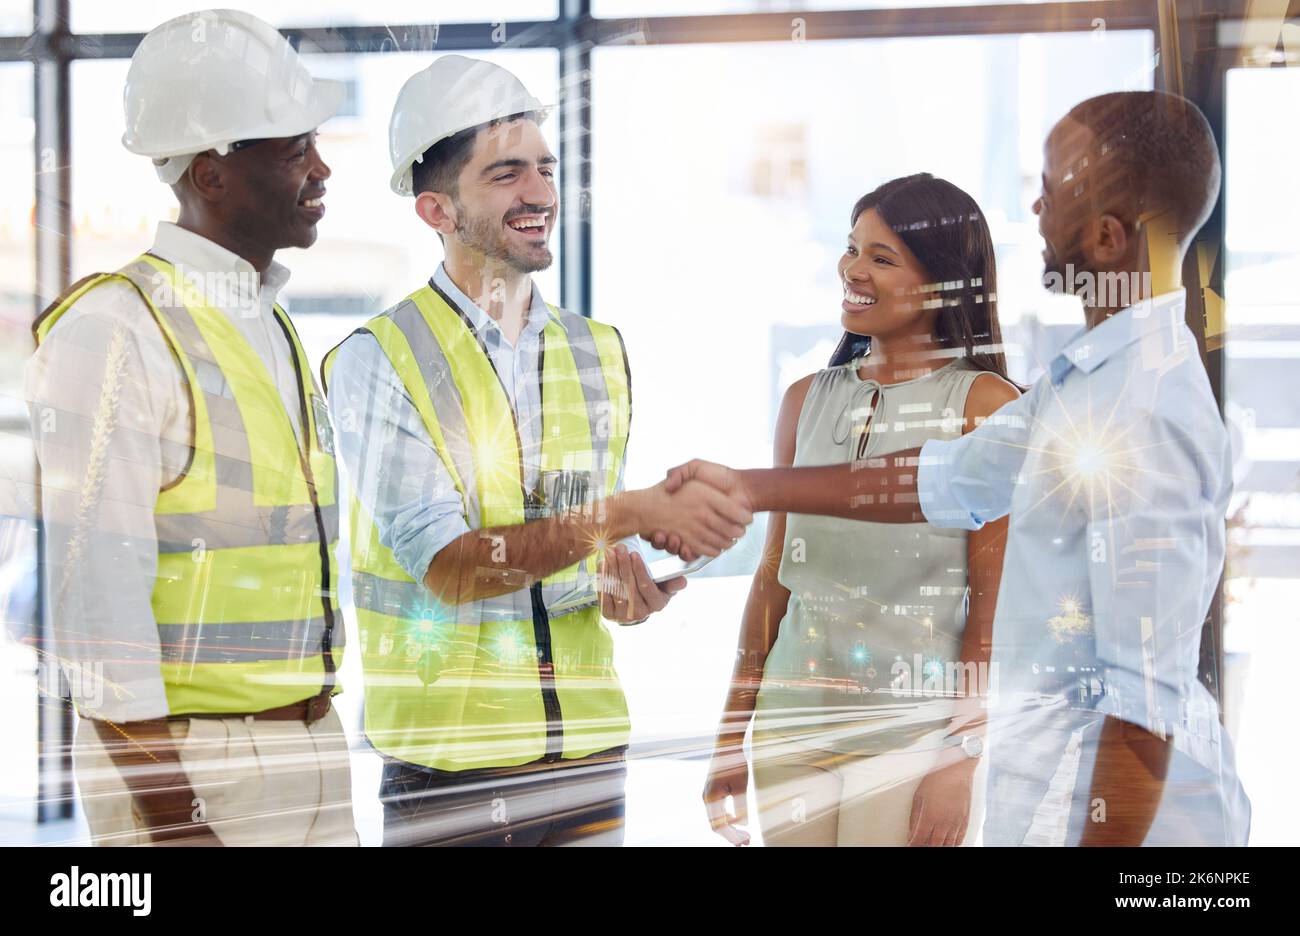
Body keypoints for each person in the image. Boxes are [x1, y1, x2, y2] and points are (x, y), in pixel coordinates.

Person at [663, 91, 1250, 846]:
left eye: (1056, 188)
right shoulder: (1087, 385)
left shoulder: (1144, 413)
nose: (1035, 208)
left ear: (1107, 238)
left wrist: (957, 753)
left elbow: (1143, 713)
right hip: (1026, 792)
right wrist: (751, 487)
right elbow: (945, 479)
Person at [324, 55, 751, 847]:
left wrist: (626, 588)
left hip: (586, 755)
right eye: (507, 174)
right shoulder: (378, 359)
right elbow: (453, 567)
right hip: (450, 765)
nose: (541, 194)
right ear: (436, 210)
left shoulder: (599, 351)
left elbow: (582, 548)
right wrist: (629, 511)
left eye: (546, 169)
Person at [26, 10, 357, 845]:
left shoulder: (266, 322)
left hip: (307, 746)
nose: (321, 170)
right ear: (212, 175)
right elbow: (97, 611)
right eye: (293, 151)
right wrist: (179, 825)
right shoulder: (117, 330)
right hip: (197, 771)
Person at [701, 174, 1019, 847]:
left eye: (882, 257)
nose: (852, 269)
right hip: (790, 726)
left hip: (912, 736)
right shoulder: (803, 399)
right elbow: (774, 579)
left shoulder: (985, 406)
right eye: (852, 249)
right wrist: (732, 736)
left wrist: (961, 757)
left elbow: (995, 610)